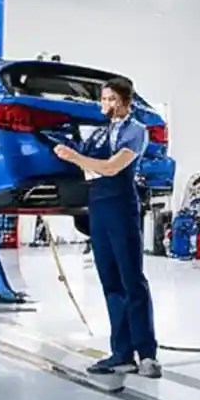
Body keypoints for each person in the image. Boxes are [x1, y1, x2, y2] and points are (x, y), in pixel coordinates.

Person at [53, 77, 160, 378]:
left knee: (132, 280)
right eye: (103, 99)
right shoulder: (99, 134)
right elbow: (80, 157)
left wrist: (75, 157)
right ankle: (122, 354)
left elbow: (113, 166)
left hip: (121, 206)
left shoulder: (136, 131)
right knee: (110, 281)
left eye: (112, 99)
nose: (106, 105)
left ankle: (147, 354)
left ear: (126, 101)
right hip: (97, 206)